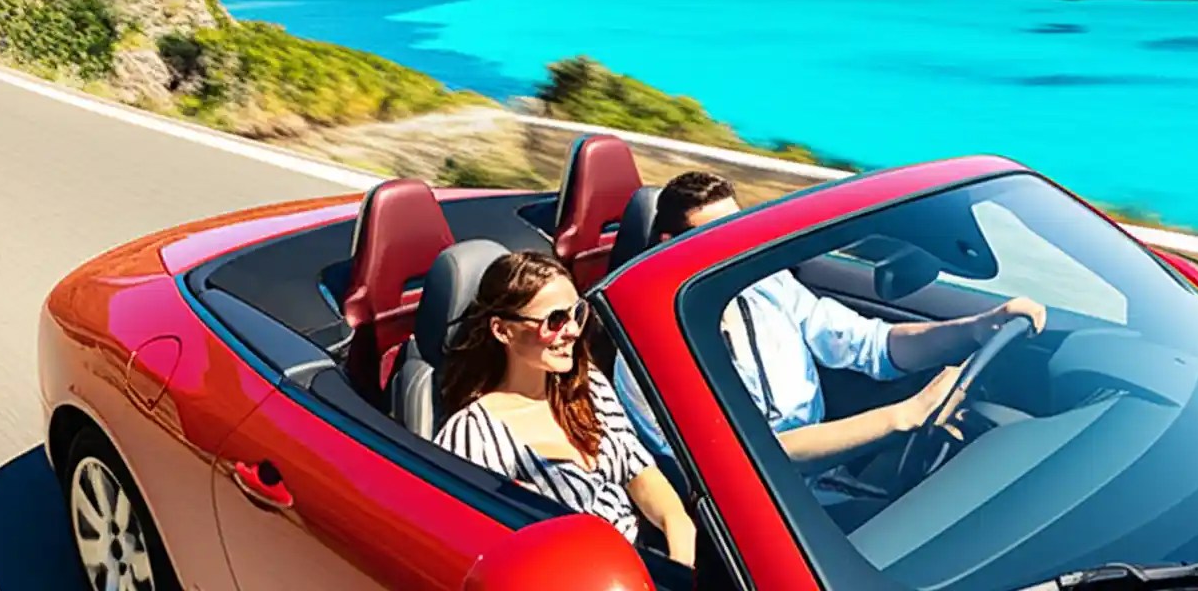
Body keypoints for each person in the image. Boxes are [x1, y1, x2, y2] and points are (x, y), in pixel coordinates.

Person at [613, 171, 1046, 497]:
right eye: (713, 238)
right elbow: (744, 463)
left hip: (830, 481)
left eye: (736, 232)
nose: (732, 250)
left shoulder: (768, 289)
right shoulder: (645, 360)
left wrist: (975, 328)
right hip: (763, 517)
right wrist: (904, 417)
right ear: (668, 245)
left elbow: (871, 345)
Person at [434, 250, 696, 567]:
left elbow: (654, 490)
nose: (573, 330)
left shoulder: (589, 387)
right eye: (555, 320)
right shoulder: (475, 436)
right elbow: (481, 558)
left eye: (577, 313)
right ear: (503, 331)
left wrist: (680, 560)